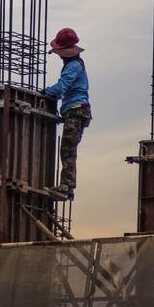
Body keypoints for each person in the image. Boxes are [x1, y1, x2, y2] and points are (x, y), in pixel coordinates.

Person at [44, 27, 91, 200]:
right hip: (77, 110)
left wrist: (46, 92)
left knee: (67, 150)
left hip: (76, 111)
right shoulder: (74, 65)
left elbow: (61, 87)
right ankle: (68, 187)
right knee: (68, 149)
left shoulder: (73, 66)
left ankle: (66, 186)